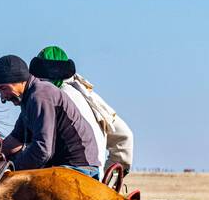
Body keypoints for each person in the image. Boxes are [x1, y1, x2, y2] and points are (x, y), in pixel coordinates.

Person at [29, 46, 134, 183]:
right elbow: (125, 137)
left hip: (67, 181)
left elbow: (41, 150)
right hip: (96, 181)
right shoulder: (89, 97)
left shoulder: (49, 100)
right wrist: (108, 182)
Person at [0, 55, 100, 179]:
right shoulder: (29, 99)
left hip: (77, 168)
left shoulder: (40, 95)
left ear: (20, 80)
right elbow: (16, 139)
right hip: (64, 166)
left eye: (4, 88)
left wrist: (11, 168)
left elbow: (43, 150)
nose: (3, 96)